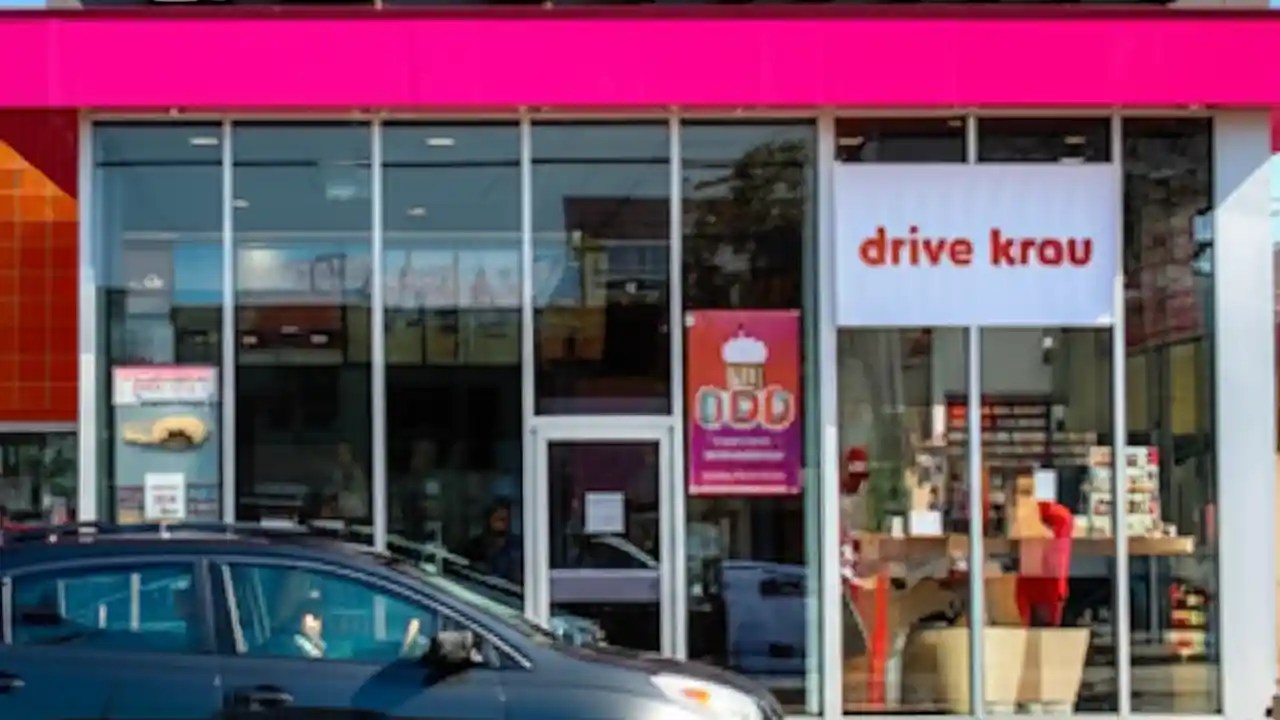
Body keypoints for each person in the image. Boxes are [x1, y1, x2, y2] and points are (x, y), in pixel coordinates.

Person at [462, 501, 521, 583]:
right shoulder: (475, 546)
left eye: (506, 519)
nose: (503, 523)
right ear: (489, 519)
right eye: (499, 519)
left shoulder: (518, 547)